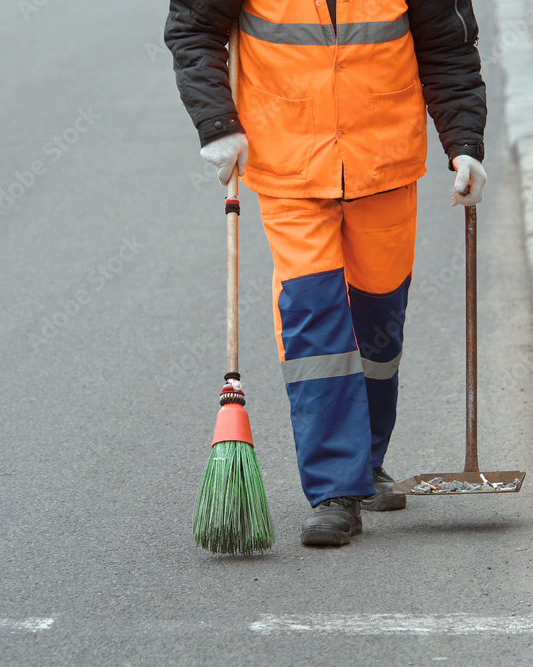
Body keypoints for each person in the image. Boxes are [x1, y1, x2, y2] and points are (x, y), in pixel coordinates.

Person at [165, 0, 487, 547]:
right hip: (289, 164)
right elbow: (193, 29)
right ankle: (335, 490)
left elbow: (448, 46)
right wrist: (217, 123)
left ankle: (365, 457)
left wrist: (465, 144)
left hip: (383, 163)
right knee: (313, 321)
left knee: (378, 327)